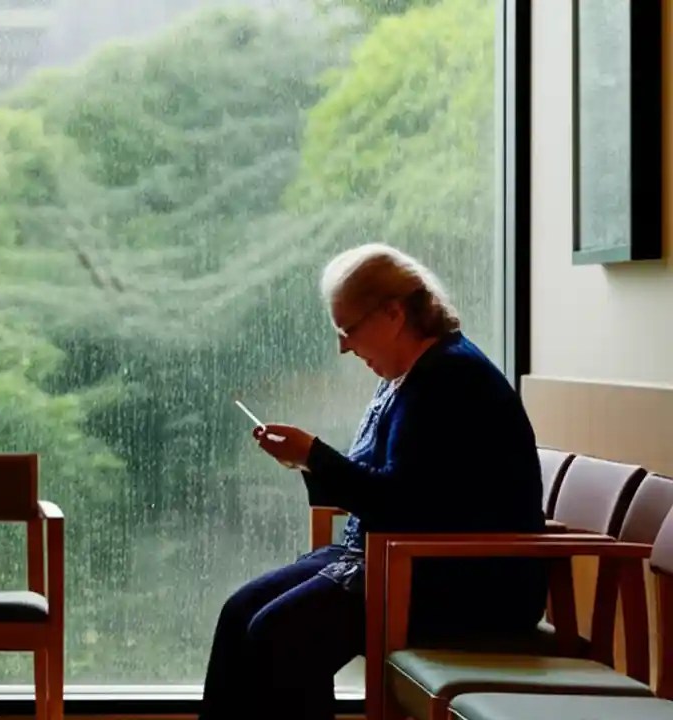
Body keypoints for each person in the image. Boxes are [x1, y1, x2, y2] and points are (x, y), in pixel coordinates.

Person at [198, 243, 546, 720]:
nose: (343, 346)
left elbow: (400, 503)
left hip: (459, 581)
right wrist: (306, 461)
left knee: (281, 634)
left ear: (393, 313)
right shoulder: (409, 375)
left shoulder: (452, 380)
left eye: (348, 330)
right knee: (239, 613)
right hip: (396, 560)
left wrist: (315, 455)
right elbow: (377, 483)